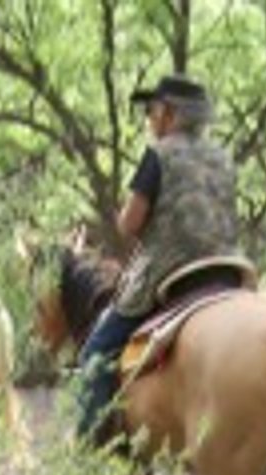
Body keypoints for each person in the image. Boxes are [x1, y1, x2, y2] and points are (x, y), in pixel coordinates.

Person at [74, 73, 240, 441]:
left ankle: (93, 449)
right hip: (229, 271)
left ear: (169, 113)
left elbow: (129, 224)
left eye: (151, 110)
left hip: (170, 271)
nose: (149, 118)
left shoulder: (159, 155)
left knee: (95, 355)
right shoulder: (223, 158)